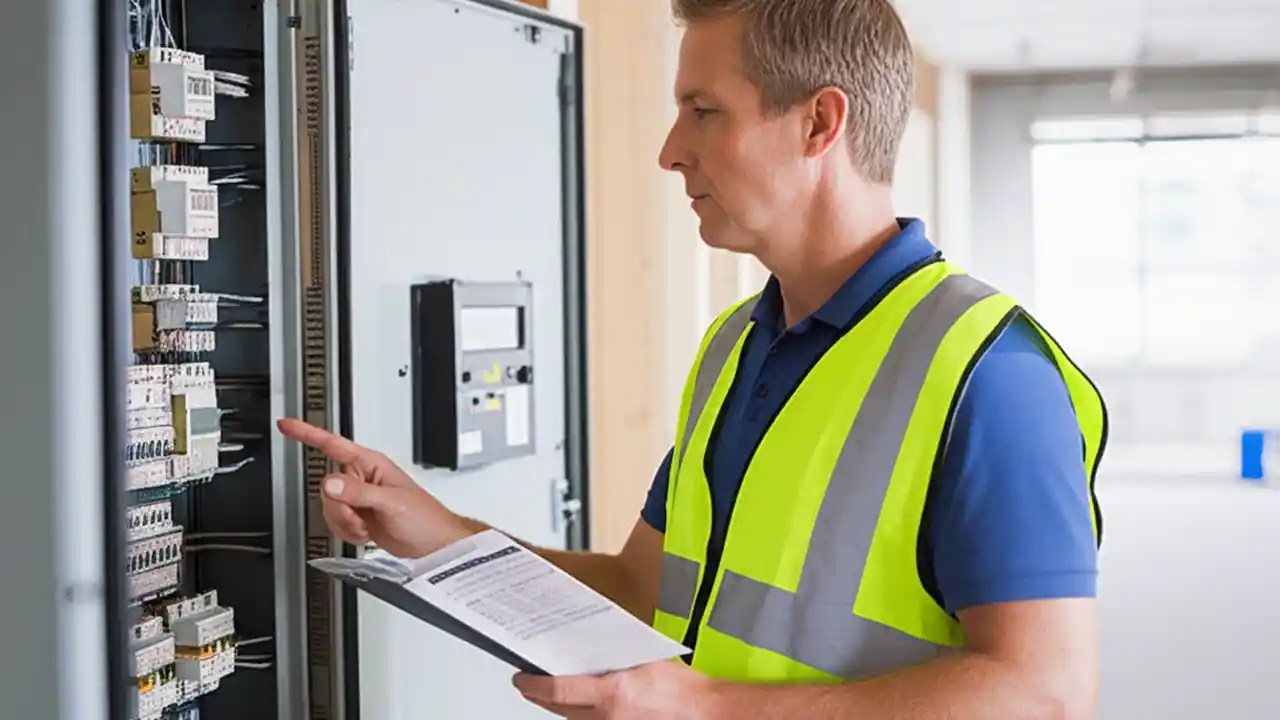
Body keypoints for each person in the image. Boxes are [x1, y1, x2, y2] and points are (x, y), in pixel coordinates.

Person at [278, 0, 1107, 716]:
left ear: (820, 122)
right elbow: (645, 588)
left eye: (704, 111)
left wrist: (703, 709)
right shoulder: (734, 344)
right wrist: (441, 534)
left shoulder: (989, 372)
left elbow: (1044, 692)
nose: (671, 151)